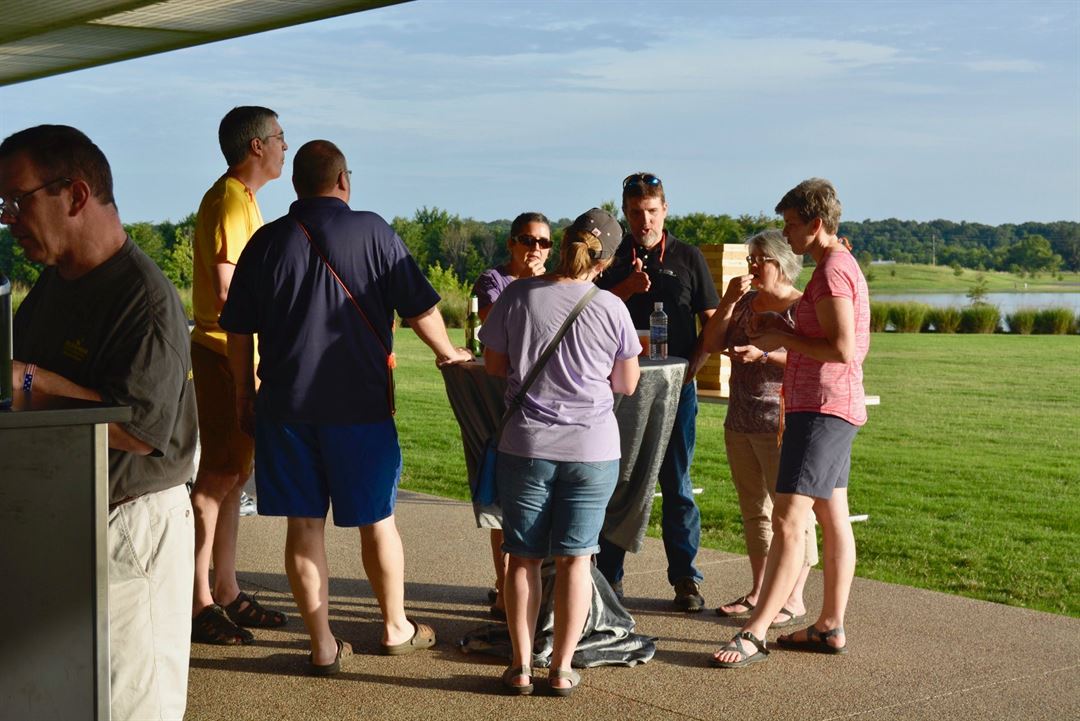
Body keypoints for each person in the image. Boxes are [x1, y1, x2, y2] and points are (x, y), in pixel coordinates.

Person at [219, 139, 472, 675]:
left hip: (285, 408)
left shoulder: (265, 243)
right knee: (377, 521)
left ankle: (322, 645)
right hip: (361, 408)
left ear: (296, 184)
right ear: (343, 181)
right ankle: (395, 626)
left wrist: (243, 394)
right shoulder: (375, 231)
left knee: (304, 526)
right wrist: (448, 354)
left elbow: (238, 330)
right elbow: (422, 306)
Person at [3, 125, 197, 719]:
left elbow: (141, 429)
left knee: (127, 703)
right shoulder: (54, 287)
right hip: (67, 519)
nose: (8, 219)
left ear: (76, 195)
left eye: (17, 200)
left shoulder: (145, 297)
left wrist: (30, 382)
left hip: (131, 532)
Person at [480, 208, 641, 696]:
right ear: (606, 259)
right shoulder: (612, 307)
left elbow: (493, 365)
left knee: (523, 557)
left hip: (526, 444)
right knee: (576, 560)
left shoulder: (517, 296)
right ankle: (563, 668)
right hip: (592, 449)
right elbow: (628, 384)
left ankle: (522, 664)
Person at [711, 178, 870, 668]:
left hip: (820, 409)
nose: (788, 233)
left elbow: (843, 349)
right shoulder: (840, 266)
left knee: (787, 518)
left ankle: (757, 630)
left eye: (792, 224)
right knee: (832, 518)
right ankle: (829, 626)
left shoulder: (832, 274)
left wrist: (783, 333)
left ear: (816, 224)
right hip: (832, 407)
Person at [595, 172, 719, 612]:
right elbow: (585, 309)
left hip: (675, 389)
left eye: (651, 211)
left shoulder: (688, 257)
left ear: (665, 209)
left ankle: (685, 577)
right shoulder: (609, 257)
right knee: (617, 481)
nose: (643, 220)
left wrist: (693, 371)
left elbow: (712, 320)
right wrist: (624, 288)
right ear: (625, 214)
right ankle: (609, 577)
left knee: (677, 483)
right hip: (619, 389)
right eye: (635, 213)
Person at [190, 106, 289, 644]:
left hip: (237, 355)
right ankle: (196, 599)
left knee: (233, 478)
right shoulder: (230, 199)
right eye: (279, 137)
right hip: (224, 353)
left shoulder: (244, 199)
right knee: (217, 479)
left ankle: (224, 589)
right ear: (256, 146)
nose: (284, 146)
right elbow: (230, 293)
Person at [701, 229, 818, 626]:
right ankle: (760, 589)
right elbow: (713, 341)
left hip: (780, 421)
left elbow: (811, 358)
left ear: (782, 263)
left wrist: (764, 354)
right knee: (755, 511)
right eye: (750, 257)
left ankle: (794, 597)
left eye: (758, 258)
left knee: (793, 514)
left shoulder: (800, 306)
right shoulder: (747, 301)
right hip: (739, 419)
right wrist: (729, 302)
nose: (751, 265)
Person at [470, 211, 552, 618]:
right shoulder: (493, 280)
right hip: (501, 399)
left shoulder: (554, 283)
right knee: (503, 498)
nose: (535, 249)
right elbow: (492, 326)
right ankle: (504, 586)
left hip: (545, 402)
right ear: (511, 243)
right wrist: (528, 285)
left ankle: (530, 587)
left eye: (543, 243)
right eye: (527, 240)